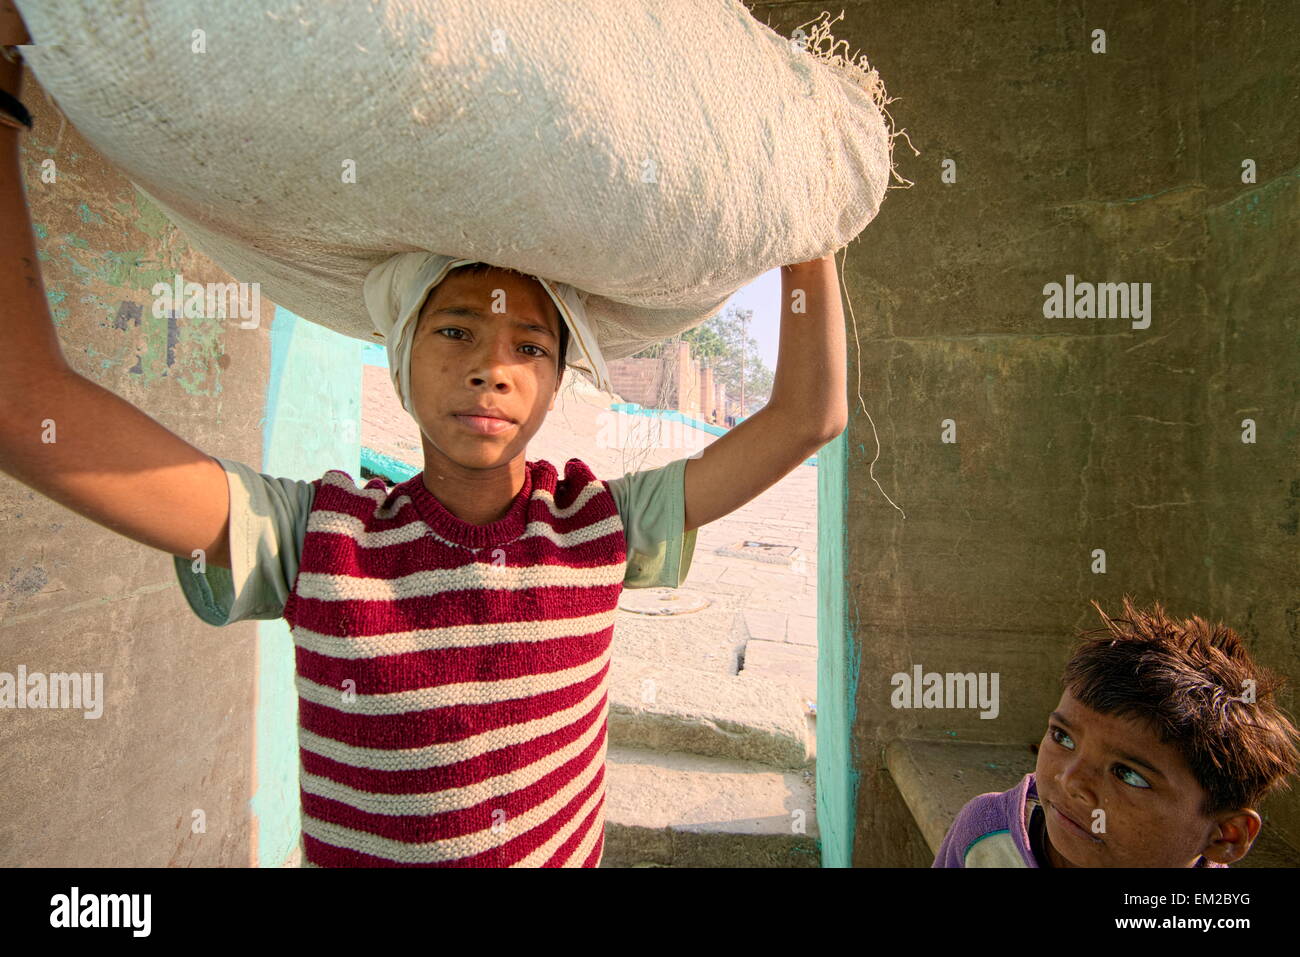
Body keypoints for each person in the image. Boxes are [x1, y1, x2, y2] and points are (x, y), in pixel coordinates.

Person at [0, 15, 848, 866]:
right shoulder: (317, 538)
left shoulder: (598, 526)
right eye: (454, 333)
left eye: (529, 347)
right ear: (399, 360)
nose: (492, 369)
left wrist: (810, 222)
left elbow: (808, 415)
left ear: (559, 380)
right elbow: (26, 411)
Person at [934, 596, 1300, 868]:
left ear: (1226, 835)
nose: (1071, 780)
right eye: (1063, 738)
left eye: (1128, 774)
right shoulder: (986, 836)